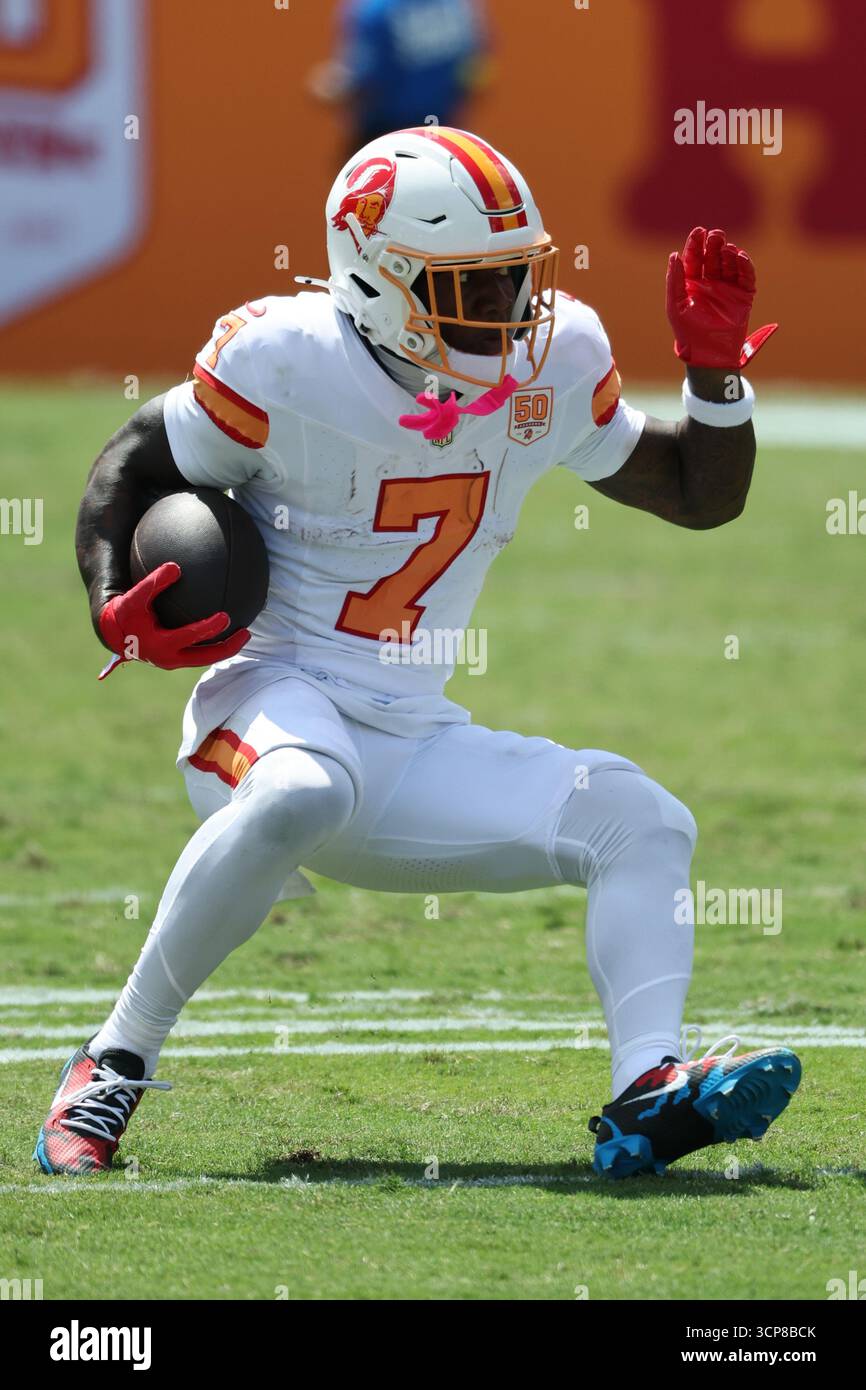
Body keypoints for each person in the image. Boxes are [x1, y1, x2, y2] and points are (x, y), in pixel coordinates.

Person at [35, 125, 799, 1181]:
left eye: (510, 278)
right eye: (467, 286)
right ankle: (111, 1062)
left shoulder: (554, 355)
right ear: (375, 279)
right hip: (271, 698)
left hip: (411, 735)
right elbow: (135, 457)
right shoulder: (282, 359)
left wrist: (713, 378)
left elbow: (692, 494)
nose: (504, 311)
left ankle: (646, 1092)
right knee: (302, 789)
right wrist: (110, 599)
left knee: (642, 819)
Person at [308, 0, 490, 153]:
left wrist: (328, 87)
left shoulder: (374, 11)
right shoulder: (458, 7)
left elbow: (363, 81)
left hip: (384, 144)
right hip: (444, 142)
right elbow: (476, 73)